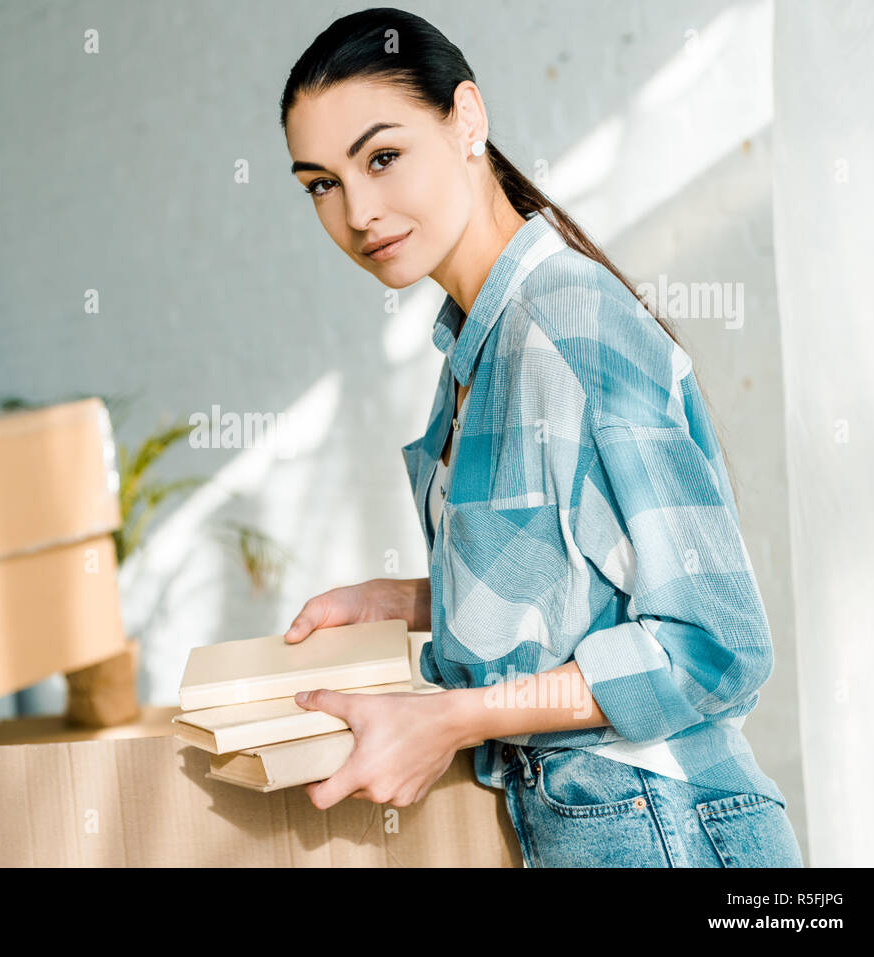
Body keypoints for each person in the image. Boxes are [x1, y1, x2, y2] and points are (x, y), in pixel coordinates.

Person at [277, 8, 803, 868]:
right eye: (321, 185)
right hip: (595, 825)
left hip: (665, 824)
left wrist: (452, 718)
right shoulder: (476, 352)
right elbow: (584, 584)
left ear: (467, 119)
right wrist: (407, 601)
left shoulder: (569, 321)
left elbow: (715, 642)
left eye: (382, 157)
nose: (359, 211)